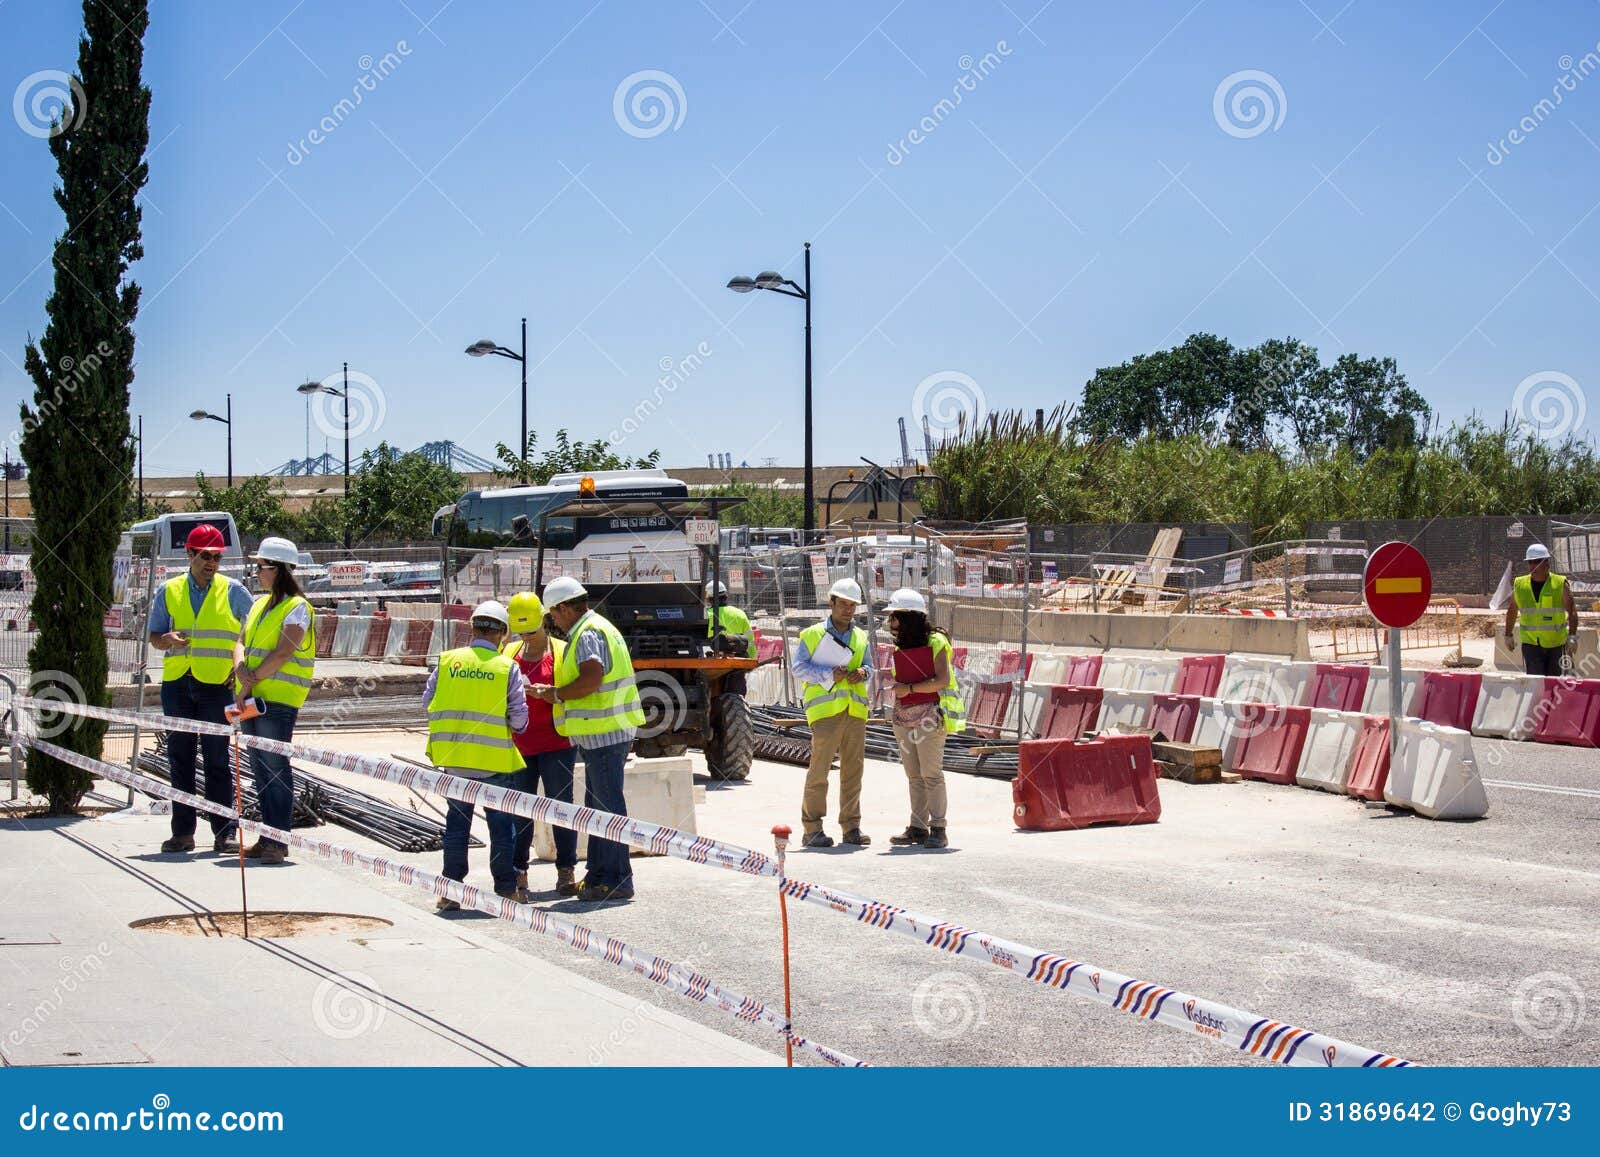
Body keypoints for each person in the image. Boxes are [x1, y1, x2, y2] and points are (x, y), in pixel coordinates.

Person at [530, 577, 644, 903]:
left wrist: (556, 694)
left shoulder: (588, 632)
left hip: (605, 733)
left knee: (607, 806)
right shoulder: (596, 627)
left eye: (553, 614)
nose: (553, 621)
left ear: (565, 608)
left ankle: (616, 878)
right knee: (598, 806)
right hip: (604, 733)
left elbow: (591, 678)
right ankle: (598, 875)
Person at [148, 523, 256, 855]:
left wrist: (241, 671)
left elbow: (255, 634)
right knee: (179, 758)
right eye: (206, 556)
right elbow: (154, 637)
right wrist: (165, 640)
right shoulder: (169, 590)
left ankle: (224, 833)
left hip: (216, 687)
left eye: (217, 558)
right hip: (178, 684)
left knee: (217, 761)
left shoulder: (233, 590)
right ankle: (183, 833)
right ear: (190, 554)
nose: (212, 563)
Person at [424, 601, 529, 908]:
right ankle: (506, 889)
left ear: (472, 628)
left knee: (457, 827)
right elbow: (520, 720)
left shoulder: (447, 661)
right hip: (494, 763)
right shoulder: (506, 667)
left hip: (455, 762)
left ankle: (450, 891)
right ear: (503, 635)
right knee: (501, 828)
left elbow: (428, 701)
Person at [231, 537, 316, 865]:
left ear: (279, 569)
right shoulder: (257, 605)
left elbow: (284, 651)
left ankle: (278, 842)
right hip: (254, 697)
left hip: (277, 699)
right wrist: (240, 667)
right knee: (261, 770)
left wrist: (249, 680)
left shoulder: (297, 607)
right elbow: (240, 640)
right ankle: (268, 837)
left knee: (275, 768)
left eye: (261, 567)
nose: (257, 572)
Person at [502, 590, 579, 898]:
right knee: (520, 812)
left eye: (531, 631)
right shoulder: (508, 654)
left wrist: (552, 692)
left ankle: (566, 870)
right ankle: (519, 873)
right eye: (522, 632)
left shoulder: (561, 650)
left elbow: (576, 690)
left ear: (544, 621)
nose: (527, 638)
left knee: (561, 809)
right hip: (519, 746)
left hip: (557, 743)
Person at [882, 588, 966, 850]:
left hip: (930, 716)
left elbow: (941, 680)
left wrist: (909, 689)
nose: (891, 623)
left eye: (895, 617)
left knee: (931, 774)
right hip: (905, 716)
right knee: (914, 775)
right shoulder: (901, 646)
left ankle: (938, 828)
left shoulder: (936, 642)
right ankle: (918, 827)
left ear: (909, 618)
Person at [792, 577, 873, 848]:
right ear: (832, 603)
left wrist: (863, 673)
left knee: (853, 771)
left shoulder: (861, 636)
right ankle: (812, 829)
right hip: (825, 713)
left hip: (855, 711)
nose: (848, 609)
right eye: (844, 604)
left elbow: (870, 668)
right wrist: (828, 674)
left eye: (853, 605)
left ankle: (851, 826)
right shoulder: (813, 634)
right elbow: (798, 668)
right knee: (820, 770)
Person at [1506, 542, 1580, 677]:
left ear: (1546, 563)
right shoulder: (1520, 584)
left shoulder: (1559, 583)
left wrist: (1572, 635)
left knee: (1553, 682)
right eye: (1530, 562)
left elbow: (1572, 610)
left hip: (1555, 645)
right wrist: (1508, 634)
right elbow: (1512, 610)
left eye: (1536, 562)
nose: (1532, 566)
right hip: (1531, 644)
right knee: (1535, 684)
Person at [706, 579, 756, 696]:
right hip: (737, 663)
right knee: (736, 697)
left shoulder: (706, 615)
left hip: (711, 665)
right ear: (725, 595)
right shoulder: (740, 614)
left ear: (708, 598)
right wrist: (751, 660)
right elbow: (750, 642)